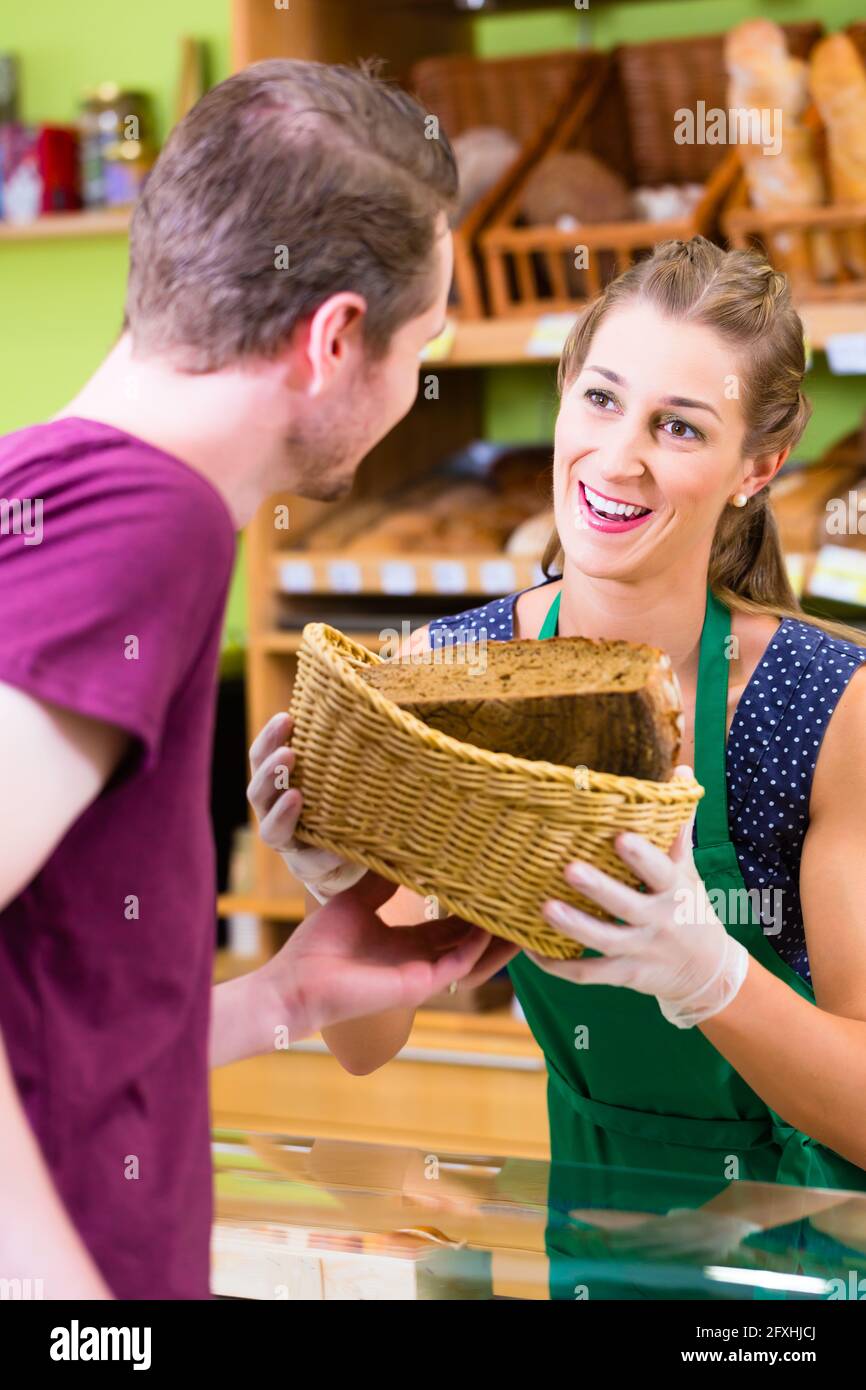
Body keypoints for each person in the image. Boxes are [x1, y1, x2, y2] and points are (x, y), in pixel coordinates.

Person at [255, 238, 866, 1293]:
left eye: (677, 427)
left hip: (806, 1263)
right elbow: (364, 1045)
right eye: (599, 400)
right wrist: (339, 883)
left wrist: (705, 974)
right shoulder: (446, 678)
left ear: (755, 469)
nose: (616, 457)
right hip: (592, 1240)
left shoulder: (823, 702)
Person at [0, 59, 509, 1300]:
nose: (412, 388)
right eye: (422, 345)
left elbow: (54, 1015)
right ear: (335, 338)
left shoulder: (41, 486)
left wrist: (284, 998)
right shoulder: (149, 525)